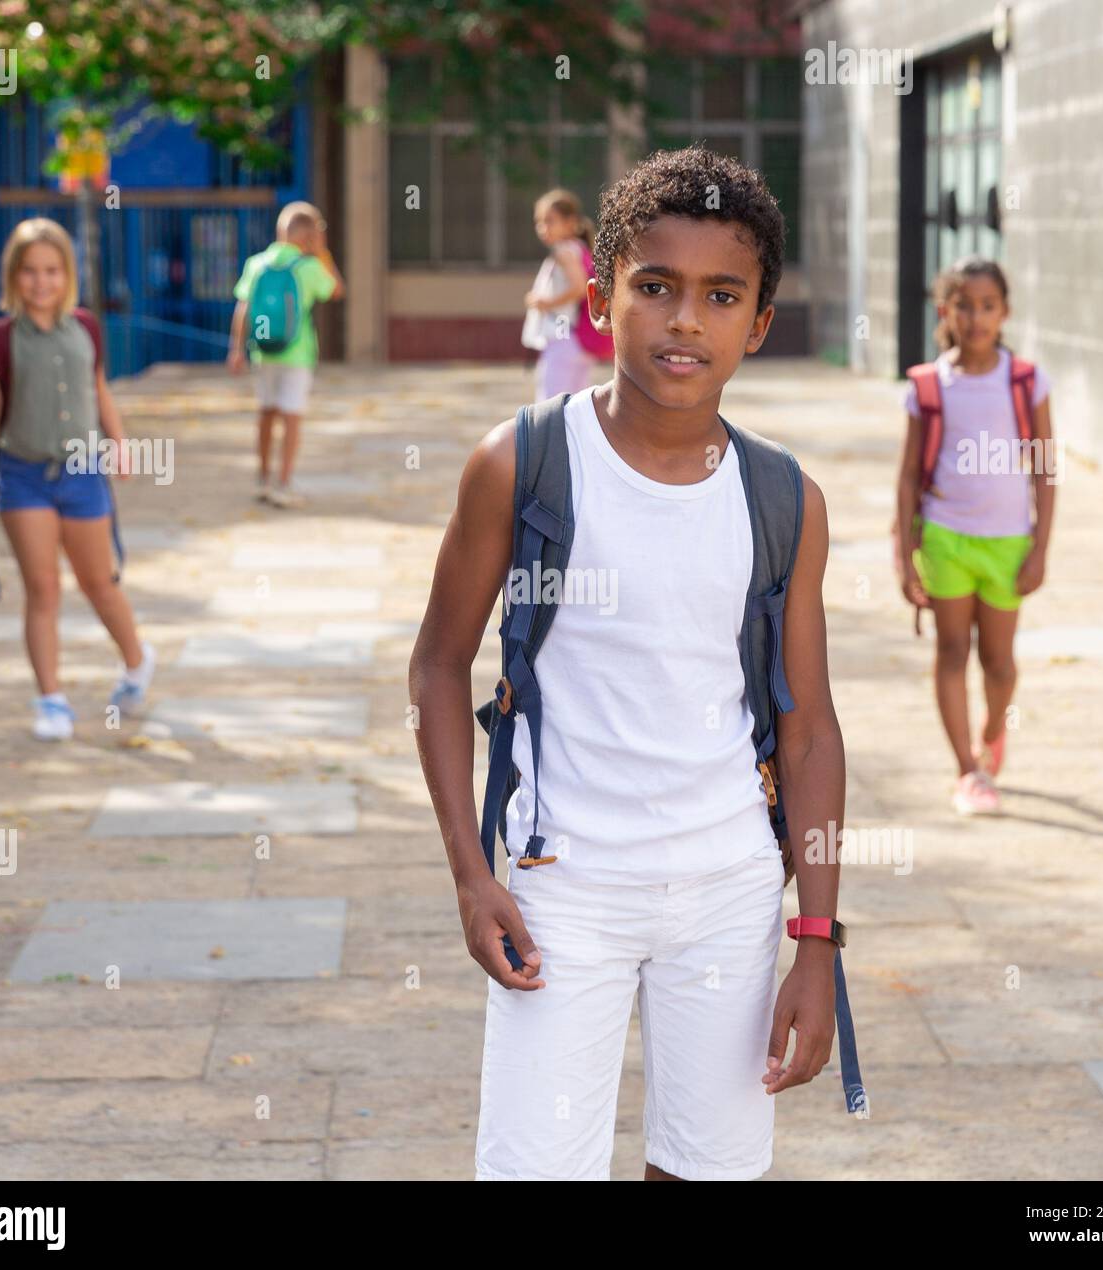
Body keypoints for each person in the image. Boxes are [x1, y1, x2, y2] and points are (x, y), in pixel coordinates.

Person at [411, 145, 846, 1180]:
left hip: (730, 887)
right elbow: (437, 667)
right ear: (603, 298)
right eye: (655, 287)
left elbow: (810, 725)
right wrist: (473, 878)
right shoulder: (520, 461)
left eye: (719, 295)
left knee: (707, 1167)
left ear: (758, 323)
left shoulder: (783, 498)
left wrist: (817, 938)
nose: (684, 320)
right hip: (562, 887)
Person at [0, 217, 155, 741]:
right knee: (42, 590)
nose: (41, 282)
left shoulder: (86, 328)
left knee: (99, 583)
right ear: (14, 277)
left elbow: (99, 393)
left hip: (83, 472)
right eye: (29, 272)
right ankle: (51, 701)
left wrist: (120, 443)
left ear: (66, 274)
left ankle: (137, 661)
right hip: (23, 476)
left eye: (51, 270)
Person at [895, 256, 1056, 816]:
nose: (977, 316)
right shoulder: (928, 386)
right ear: (946, 311)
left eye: (988, 306)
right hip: (946, 538)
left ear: (1005, 312)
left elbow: (1044, 468)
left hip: (1009, 542)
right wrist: (903, 557)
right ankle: (967, 768)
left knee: (1000, 664)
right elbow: (910, 474)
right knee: (950, 650)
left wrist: (1041, 547)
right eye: (964, 305)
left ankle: (992, 729)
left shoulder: (1027, 381)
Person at [228, 201, 344, 508]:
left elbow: (243, 308)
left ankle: (262, 478)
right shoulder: (308, 267)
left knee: (266, 413)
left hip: (263, 353)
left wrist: (236, 349)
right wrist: (322, 252)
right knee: (292, 417)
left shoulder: (257, 264)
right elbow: (336, 290)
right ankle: (284, 482)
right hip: (297, 354)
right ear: (310, 235)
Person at [521, 188, 599, 402]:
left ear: (570, 222)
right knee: (573, 408)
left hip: (563, 339)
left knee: (550, 409)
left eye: (550, 221)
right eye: (539, 222)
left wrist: (545, 302)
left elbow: (579, 287)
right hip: (577, 341)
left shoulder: (564, 251)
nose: (543, 228)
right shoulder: (580, 248)